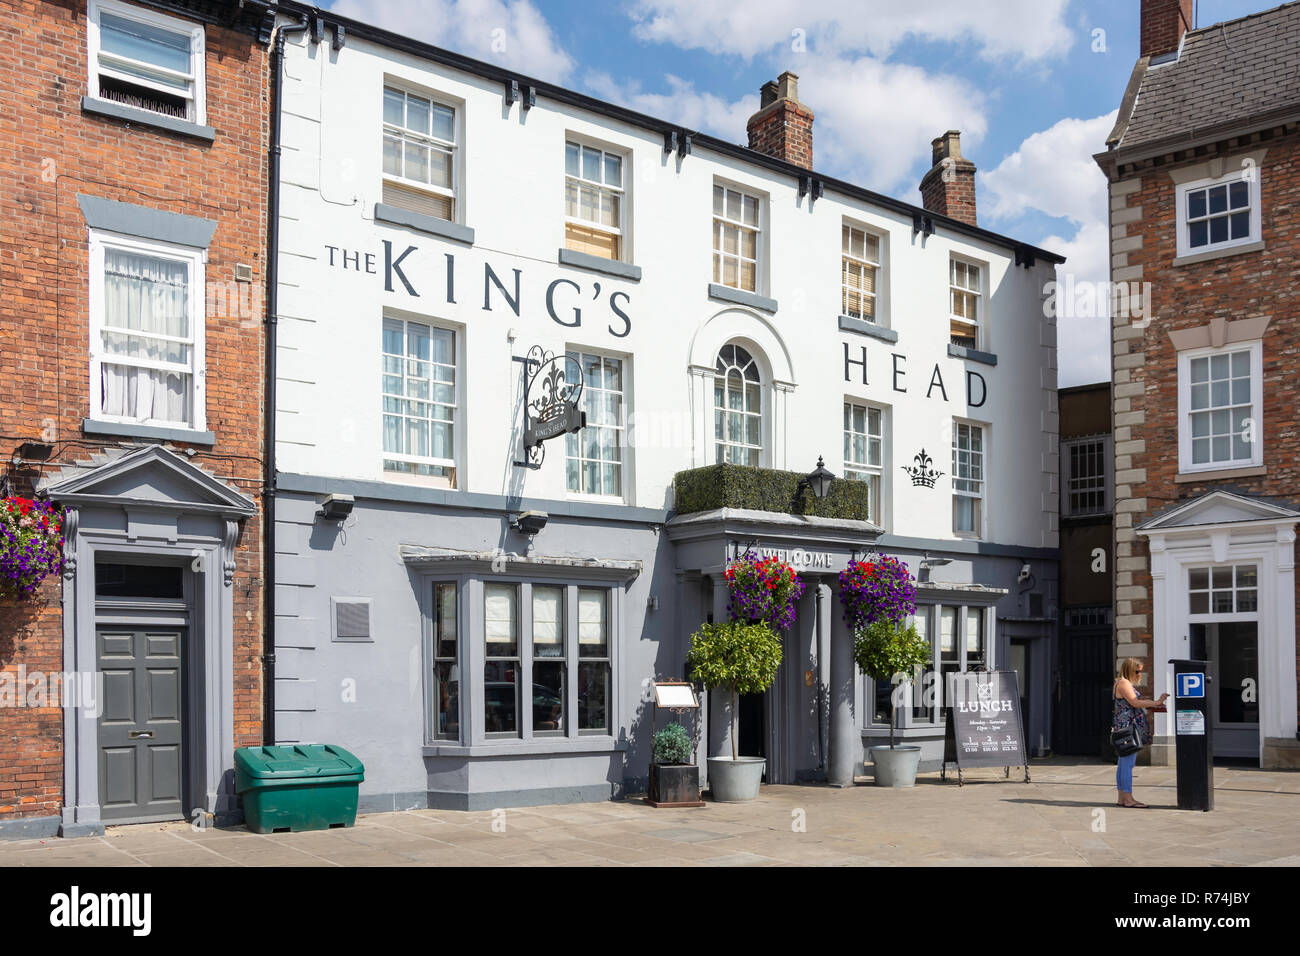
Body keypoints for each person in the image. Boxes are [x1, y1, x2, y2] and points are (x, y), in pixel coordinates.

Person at [1113, 658, 1168, 808]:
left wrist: (1152, 703)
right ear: (1129, 670)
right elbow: (1135, 703)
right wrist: (1156, 702)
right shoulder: (1123, 682)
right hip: (1127, 728)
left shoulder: (1122, 682)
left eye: (1141, 671)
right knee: (1127, 764)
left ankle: (1122, 798)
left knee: (1124, 763)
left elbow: (1134, 702)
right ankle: (1129, 799)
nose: (1139, 674)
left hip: (1125, 727)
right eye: (1137, 671)